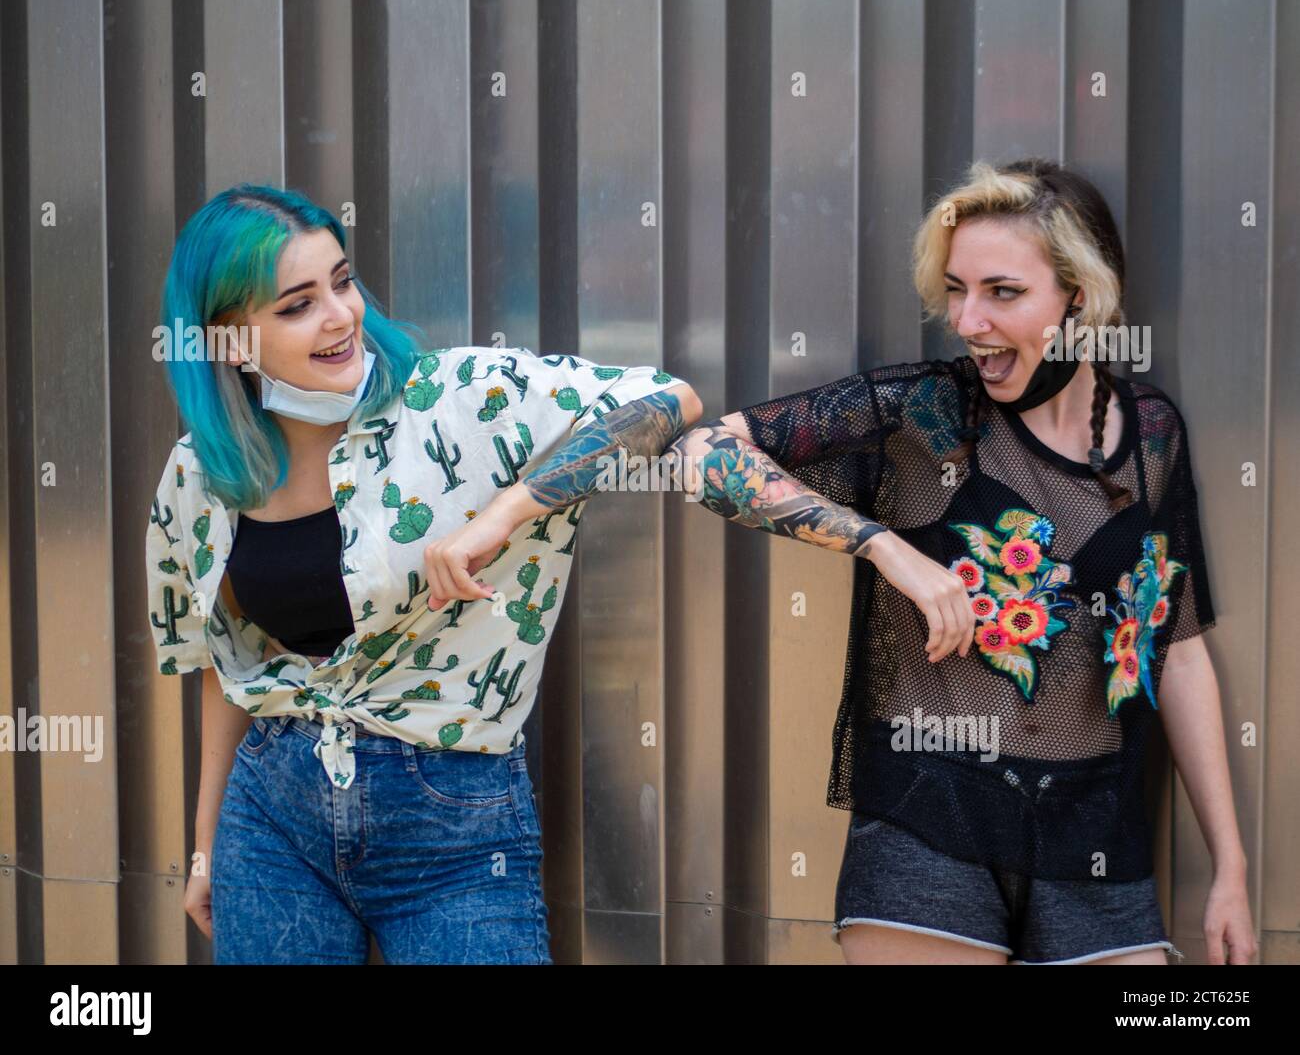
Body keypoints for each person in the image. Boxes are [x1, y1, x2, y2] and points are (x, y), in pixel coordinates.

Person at [666, 158, 1256, 965]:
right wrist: (883, 545)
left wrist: (1231, 866)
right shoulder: (927, 413)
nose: (968, 319)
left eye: (1002, 292)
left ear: (1079, 297)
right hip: (929, 818)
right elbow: (701, 452)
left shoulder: (1152, 434)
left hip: (1097, 836)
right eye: (955, 289)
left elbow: (1179, 647)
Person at [144, 183, 701, 964]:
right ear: (229, 341)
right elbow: (223, 666)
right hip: (272, 819)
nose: (341, 316)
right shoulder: (201, 475)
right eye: (297, 304)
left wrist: (502, 512)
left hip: (457, 824)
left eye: (342, 281)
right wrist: (206, 846)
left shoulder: (457, 399)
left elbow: (667, 399)